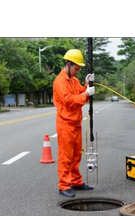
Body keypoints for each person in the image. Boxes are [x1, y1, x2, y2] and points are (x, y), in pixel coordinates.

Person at [53, 49, 95, 198]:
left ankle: (76, 181)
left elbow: (81, 96)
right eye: (76, 68)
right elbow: (70, 101)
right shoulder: (60, 81)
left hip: (76, 122)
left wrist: (86, 85)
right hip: (65, 123)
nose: (77, 71)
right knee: (66, 155)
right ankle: (64, 185)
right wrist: (86, 94)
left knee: (76, 154)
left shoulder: (74, 80)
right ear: (68, 64)